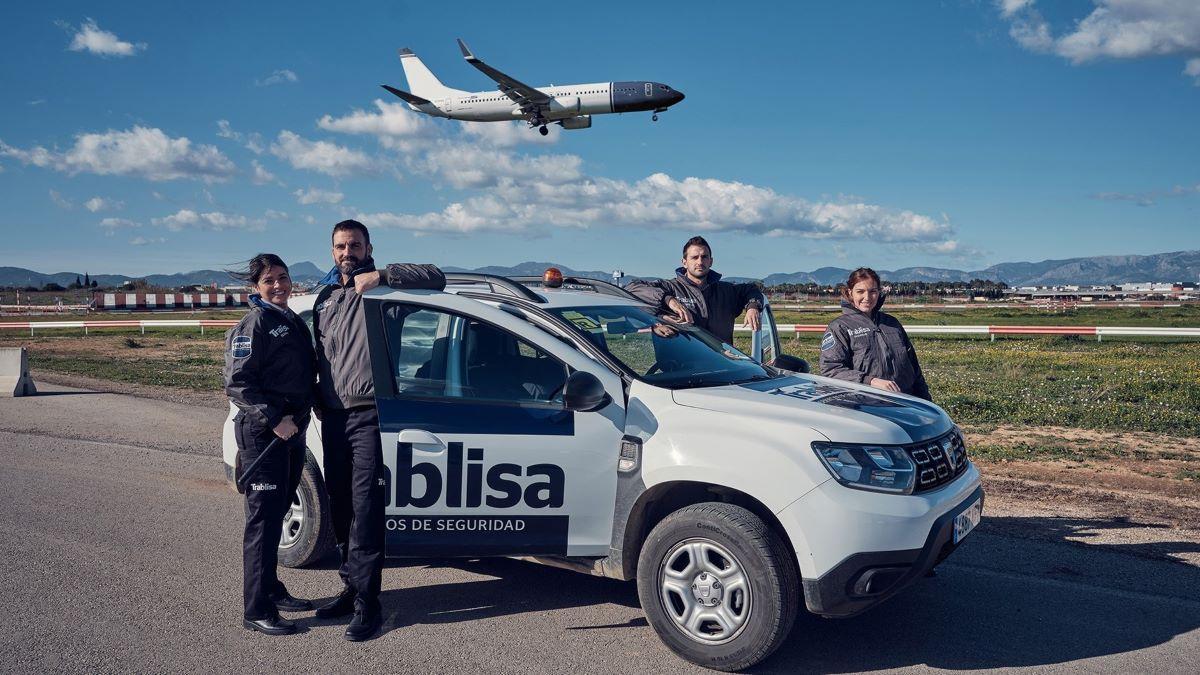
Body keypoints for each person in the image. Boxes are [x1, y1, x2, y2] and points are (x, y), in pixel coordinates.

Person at [224, 254, 316, 636]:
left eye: (283, 277)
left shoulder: (288, 318)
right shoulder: (254, 324)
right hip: (266, 434)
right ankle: (256, 608)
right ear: (255, 288)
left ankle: (273, 590)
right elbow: (239, 382)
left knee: (277, 513)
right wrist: (274, 419)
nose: (278, 285)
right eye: (269, 281)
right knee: (262, 524)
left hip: (291, 431)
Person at [310, 220, 388, 641]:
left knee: (366, 510)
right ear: (332, 250)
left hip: (369, 417)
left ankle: (368, 604)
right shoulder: (327, 297)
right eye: (340, 246)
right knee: (340, 506)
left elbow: (434, 275)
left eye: (354, 245)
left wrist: (386, 276)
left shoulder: (381, 288)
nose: (347, 252)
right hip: (334, 418)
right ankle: (349, 586)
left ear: (368, 247)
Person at [627, 236, 765, 345]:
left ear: (711, 261)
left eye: (704, 257)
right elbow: (632, 288)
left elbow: (751, 289)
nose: (700, 261)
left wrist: (753, 306)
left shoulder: (726, 291)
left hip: (723, 368)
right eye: (694, 257)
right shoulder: (670, 287)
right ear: (684, 262)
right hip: (678, 371)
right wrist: (669, 300)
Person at [820, 267, 931, 400]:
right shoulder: (840, 327)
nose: (867, 297)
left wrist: (927, 401)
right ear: (850, 293)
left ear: (879, 292)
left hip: (904, 401)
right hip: (864, 404)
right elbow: (831, 370)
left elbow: (914, 368)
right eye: (860, 291)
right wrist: (870, 381)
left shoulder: (891, 323)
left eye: (873, 291)